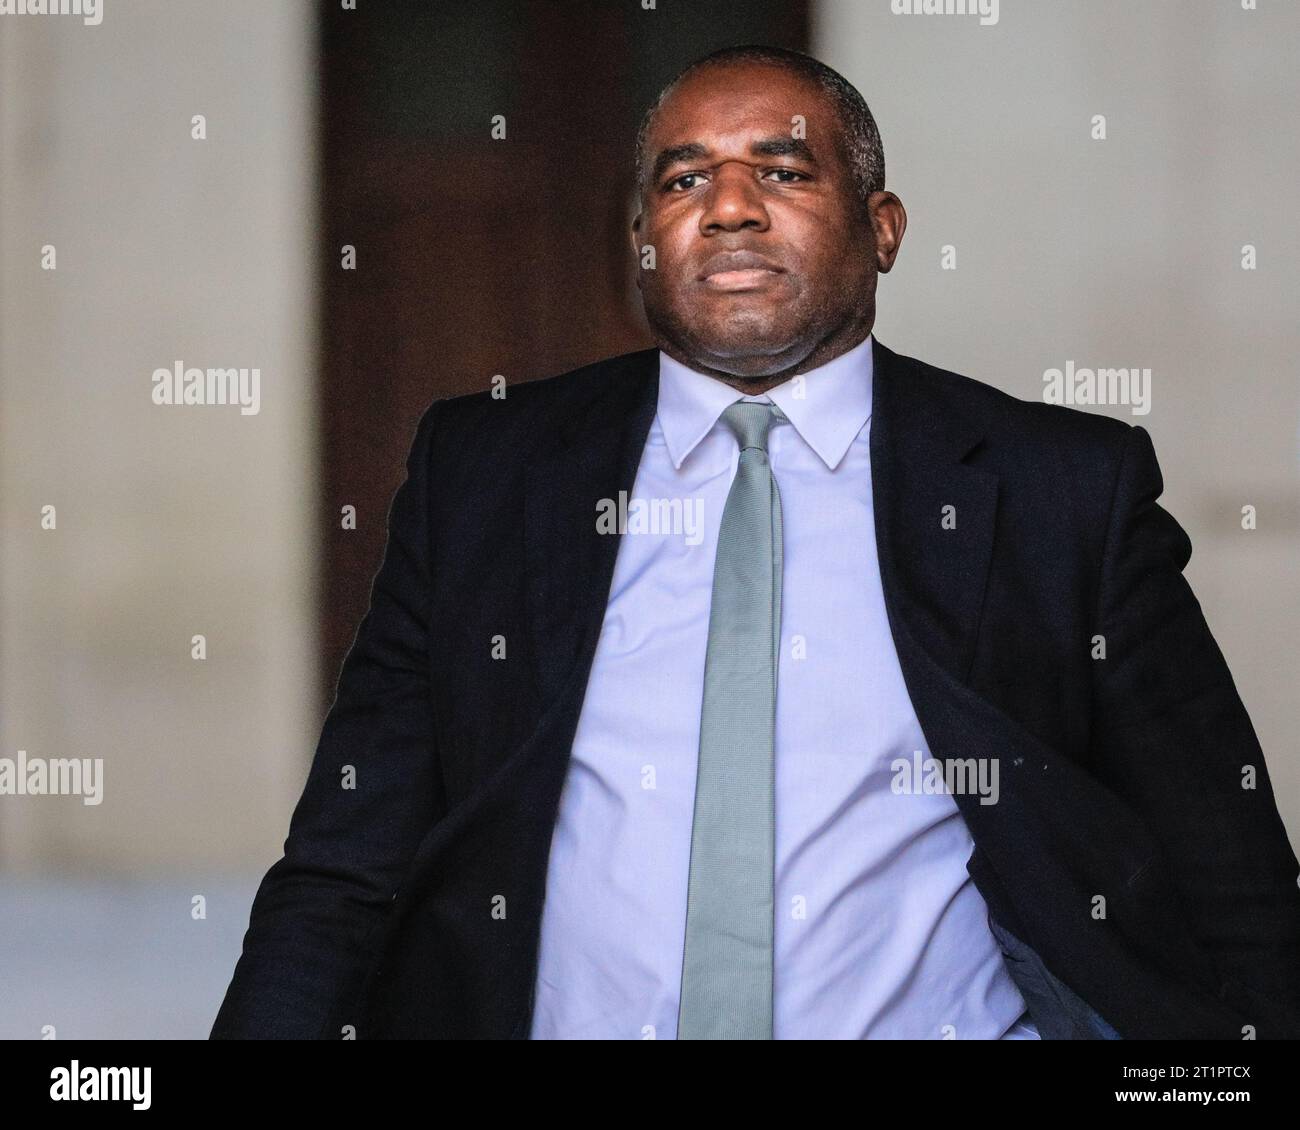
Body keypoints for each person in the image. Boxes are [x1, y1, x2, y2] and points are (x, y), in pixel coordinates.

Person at [211, 45, 1300, 1040]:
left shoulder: (1058, 487)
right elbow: (346, 865)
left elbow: (1228, 869)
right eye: (684, 181)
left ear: (882, 226)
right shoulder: (484, 473)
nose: (728, 208)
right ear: (642, 237)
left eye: (782, 172)